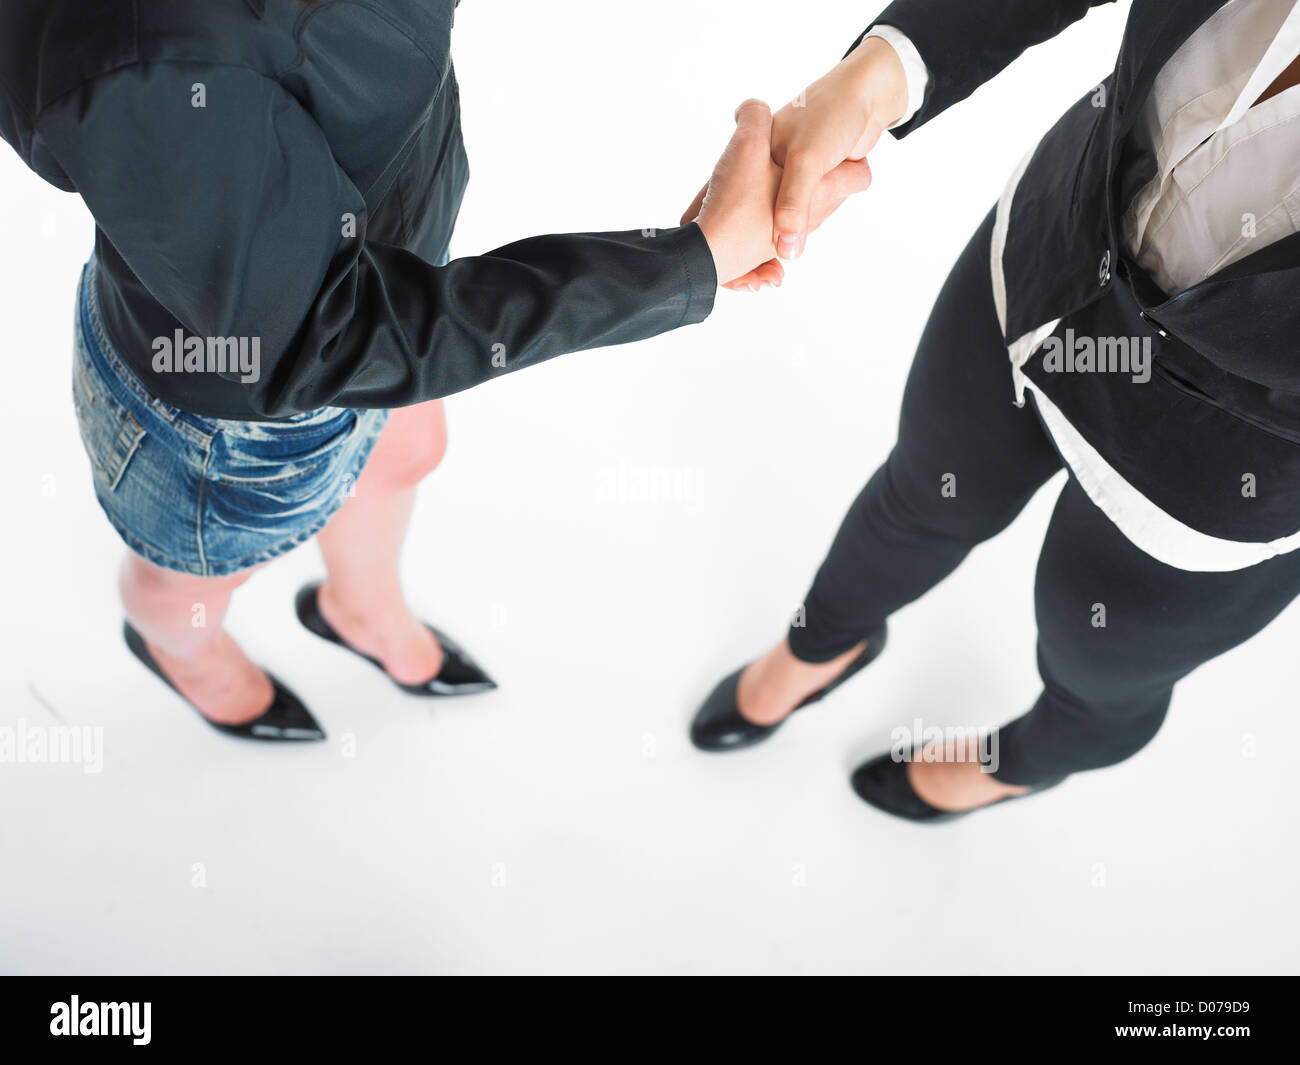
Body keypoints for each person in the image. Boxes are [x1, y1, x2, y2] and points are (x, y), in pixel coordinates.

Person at [1, 0, 865, 740]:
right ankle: (176, 650)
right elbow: (319, 333)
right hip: (221, 426)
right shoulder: (151, 63)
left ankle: (358, 606)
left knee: (410, 451)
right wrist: (687, 263)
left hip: (393, 279)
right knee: (191, 578)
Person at [691, 0, 1300, 821]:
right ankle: (822, 643)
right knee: (921, 494)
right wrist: (878, 78)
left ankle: (1017, 766)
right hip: (1060, 248)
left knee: (1098, 664)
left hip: (1236, 456)